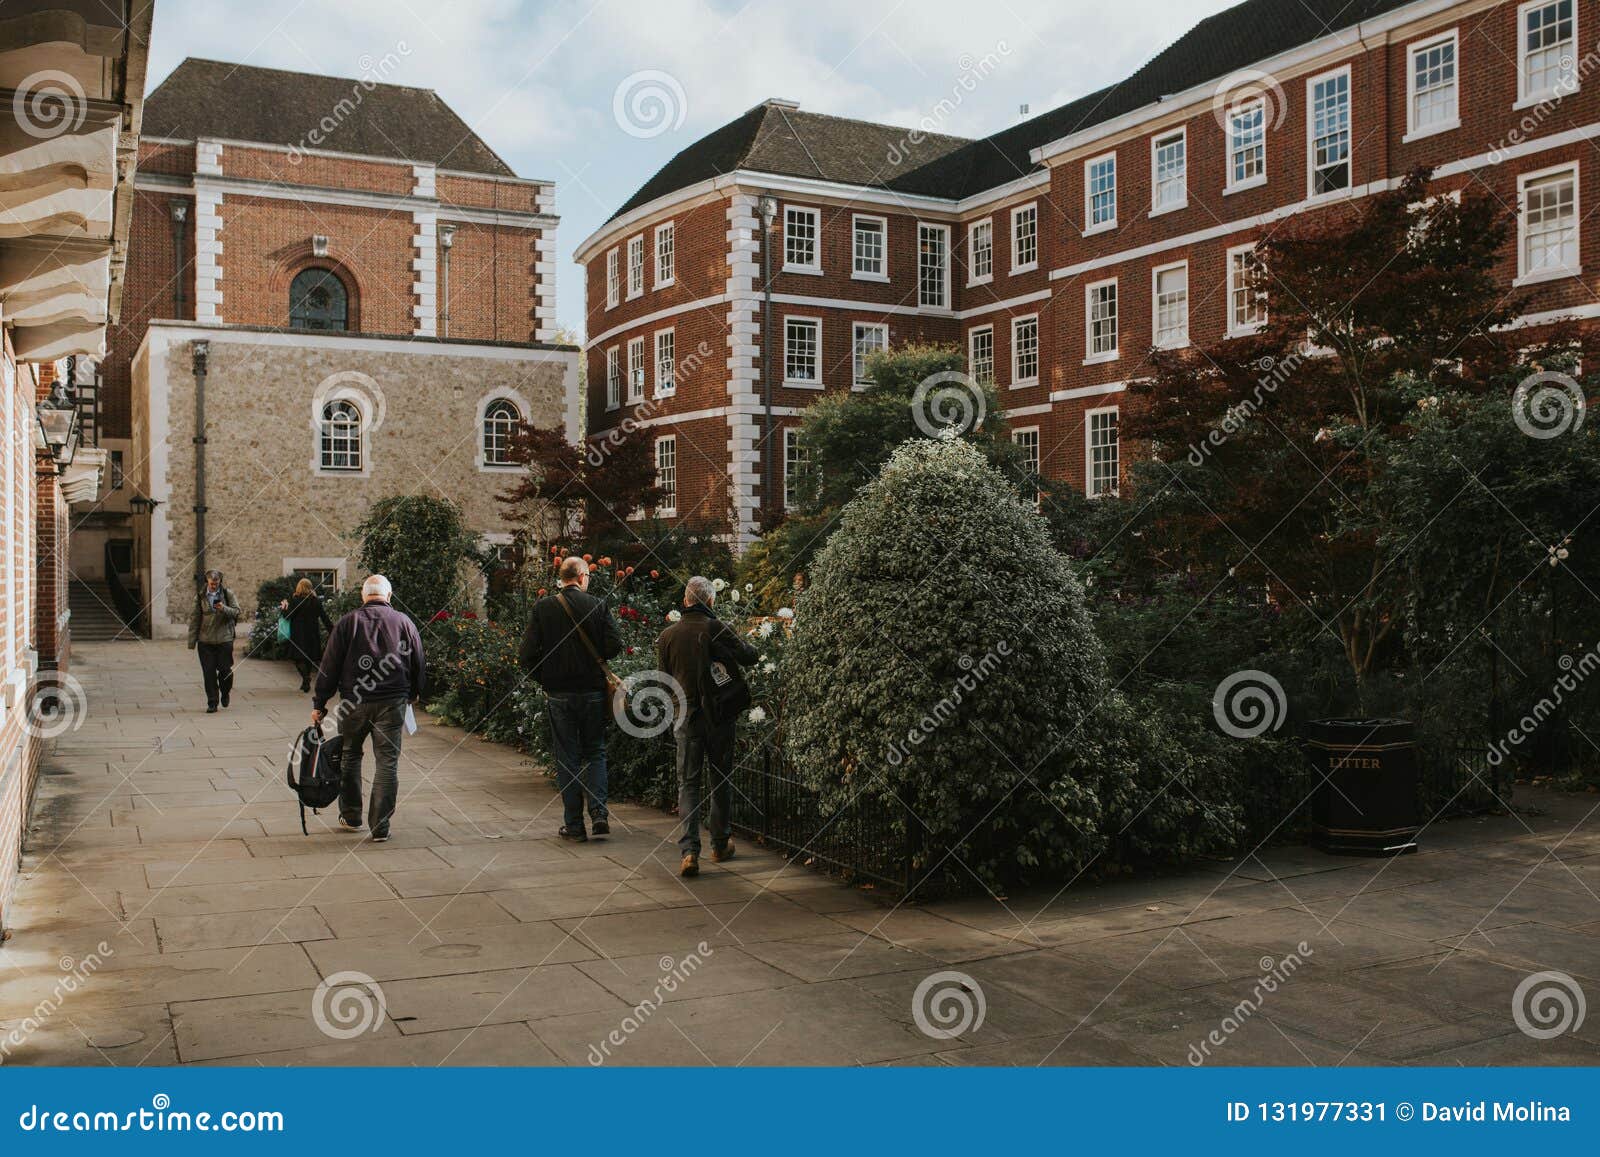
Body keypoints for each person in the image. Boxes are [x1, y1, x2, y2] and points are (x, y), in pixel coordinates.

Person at [312, 574, 425, 842]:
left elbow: (329, 665)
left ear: (364, 596)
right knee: (387, 762)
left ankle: (351, 816)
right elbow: (419, 661)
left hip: (354, 702)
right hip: (392, 701)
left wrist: (320, 703)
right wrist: (414, 693)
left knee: (349, 756)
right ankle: (380, 828)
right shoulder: (404, 622)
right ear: (389, 595)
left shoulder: (347, 622)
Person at [657, 575, 758, 877]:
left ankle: (689, 852)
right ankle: (720, 843)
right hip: (719, 717)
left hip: (687, 717)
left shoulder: (668, 636)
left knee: (688, 784)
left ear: (686, 601)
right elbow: (749, 657)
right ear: (711, 600)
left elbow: (664, 682)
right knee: (720, 779)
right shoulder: (717, 628)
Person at [518, 556, 622, 842]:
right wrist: (595, 660)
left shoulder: (543, 607)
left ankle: (574, 825)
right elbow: (615, 643)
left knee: (567, 758)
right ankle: (599, 814)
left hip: (559, 694)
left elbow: (526, 654)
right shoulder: (597, 605)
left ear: (562, 578)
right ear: (582, 577)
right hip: (592, 691)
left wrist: (546, 678)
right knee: (596, 752)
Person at [187, 569, 240, 713]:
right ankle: (212, 702)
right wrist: (192, 641)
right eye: (211, 584)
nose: (214, 586)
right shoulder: (200, 597)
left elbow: (236, 611)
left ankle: (225, 692)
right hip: (205, 641)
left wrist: (223, 608)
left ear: (220, 582)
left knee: (225, 671)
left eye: (216, 584)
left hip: (224, 639)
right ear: (207, 582)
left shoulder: (228, 594)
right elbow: (195, 619)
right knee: (208, 673)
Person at [280, 578, 334, 693]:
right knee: (309, 657)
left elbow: (288, 616)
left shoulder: (295, 600)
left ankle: (306, 678)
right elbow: (324, 617)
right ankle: (305, 682)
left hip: (298, 633)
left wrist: (284, 607)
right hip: (312, 633)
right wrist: (333, 630)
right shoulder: (316, 601)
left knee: (297, 658)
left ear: (299, 587)